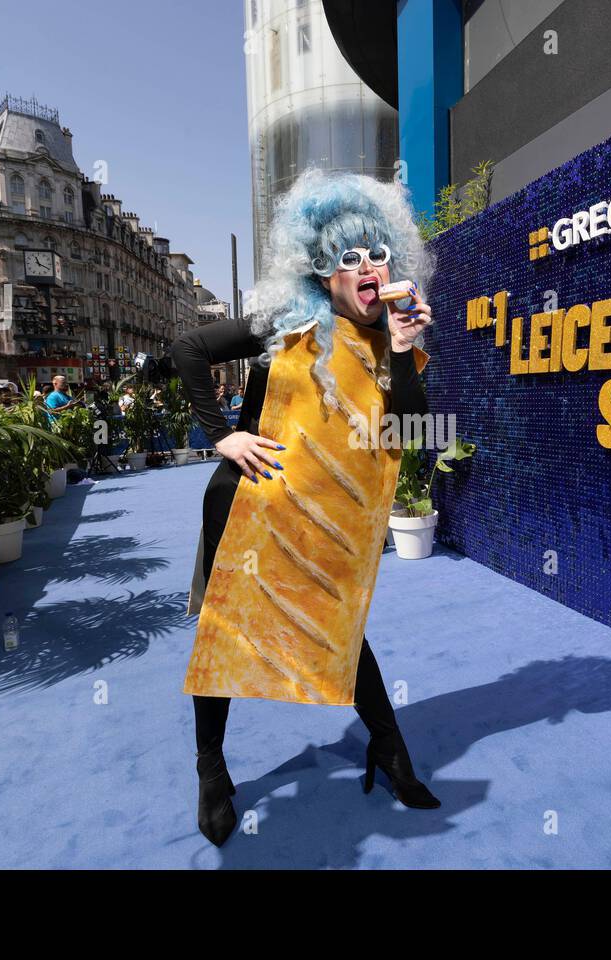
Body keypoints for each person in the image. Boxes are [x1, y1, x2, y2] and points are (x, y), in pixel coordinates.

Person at [170, 168, 437, 848]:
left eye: (377, 253)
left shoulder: (395, 344)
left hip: (331, 521)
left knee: (340, 627)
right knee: (225, 634)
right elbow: (190, 348)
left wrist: (402, 354)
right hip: (249, 509)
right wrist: (220, 433)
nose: (367, 267)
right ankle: (211, 769)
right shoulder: (280, 327)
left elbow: (410, 434)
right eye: (349, 256)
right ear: (322, 270)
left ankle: (388, 747)